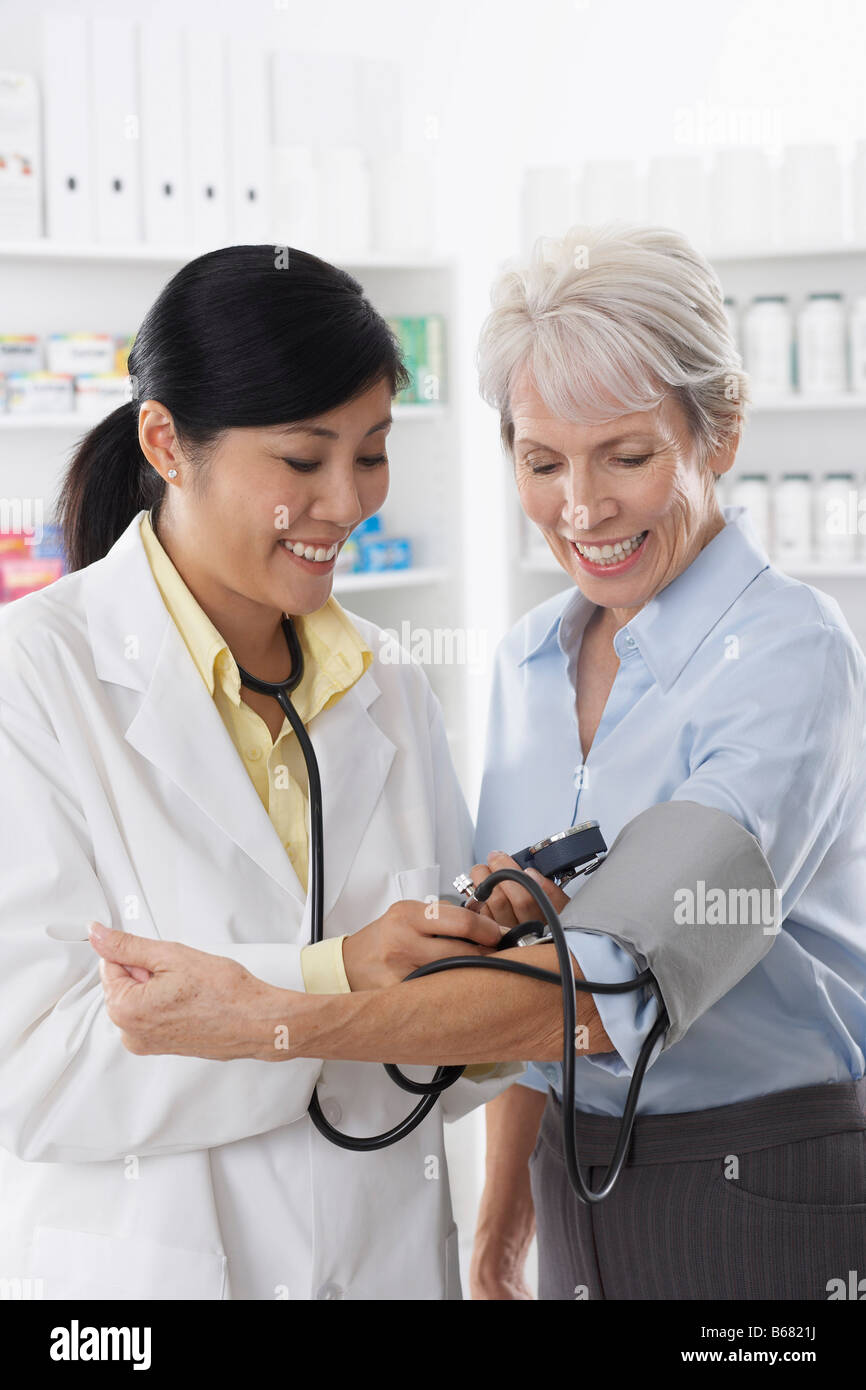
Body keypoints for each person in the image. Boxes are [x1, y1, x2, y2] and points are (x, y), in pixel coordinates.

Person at [87, 224, 866, 1303]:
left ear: (718, 428)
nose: (580, 507)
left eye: (626, 457)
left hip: (758, 1185)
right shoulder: (528, 660)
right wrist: (501, 1221)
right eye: (541, 461)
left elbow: (603, 989)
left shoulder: (789, 656)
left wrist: (261, 1017)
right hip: (573, 1183)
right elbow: (524, 969)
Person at [0, 244, 522, 1302]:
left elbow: (426, 1075)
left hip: (381, 1262)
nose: (345, 500)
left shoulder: (389, 690)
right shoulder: (36, 681)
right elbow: (37, 1073)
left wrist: (482, 970)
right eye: (301, 459)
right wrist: (334, 978)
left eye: (372, 452)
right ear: (166, 441)